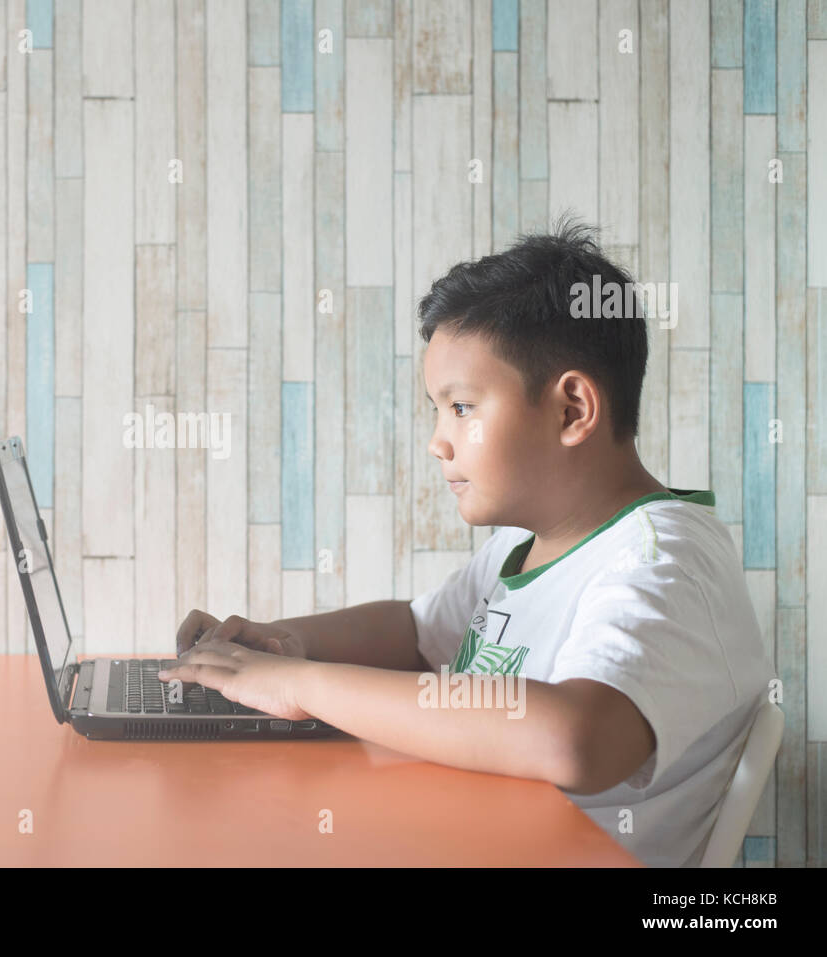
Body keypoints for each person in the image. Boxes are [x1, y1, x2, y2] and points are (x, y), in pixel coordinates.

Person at [158, 215, 777, 867]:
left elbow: (575, 738)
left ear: (572, 410)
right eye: (436, 408)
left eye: (461, 407)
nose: (437, 441)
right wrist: (281, 643)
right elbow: (416, 631)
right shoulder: (526, 545)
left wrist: (302, 684)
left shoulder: (663, 557)